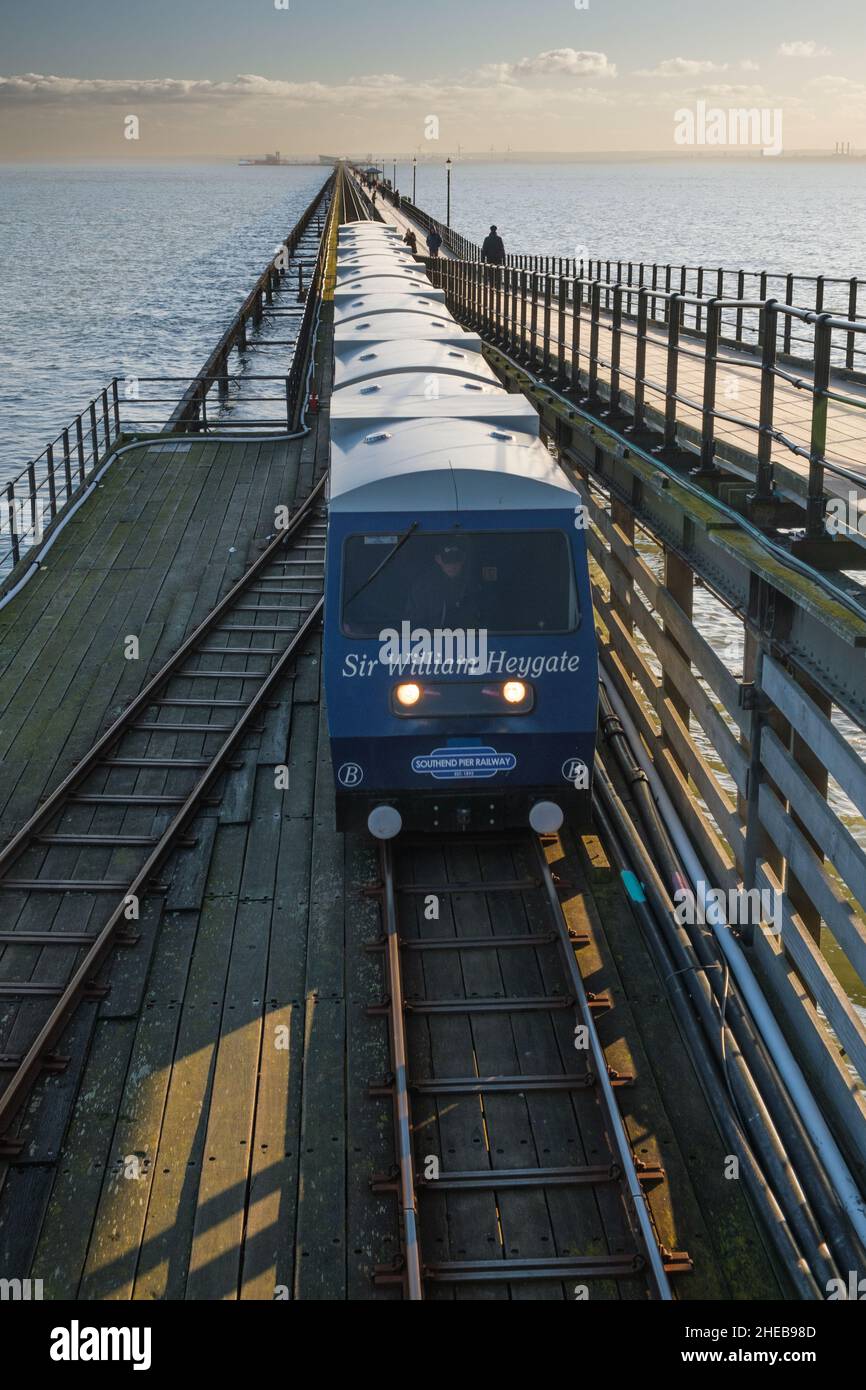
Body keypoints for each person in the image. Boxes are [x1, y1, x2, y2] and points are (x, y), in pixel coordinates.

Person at [407, 541, 478, 628]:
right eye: (447, 560)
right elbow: (413, 621)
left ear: (463, 559)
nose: (452, 565)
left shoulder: (474, 586)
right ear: (438, 559)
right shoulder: (423, 587)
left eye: (456, 560)